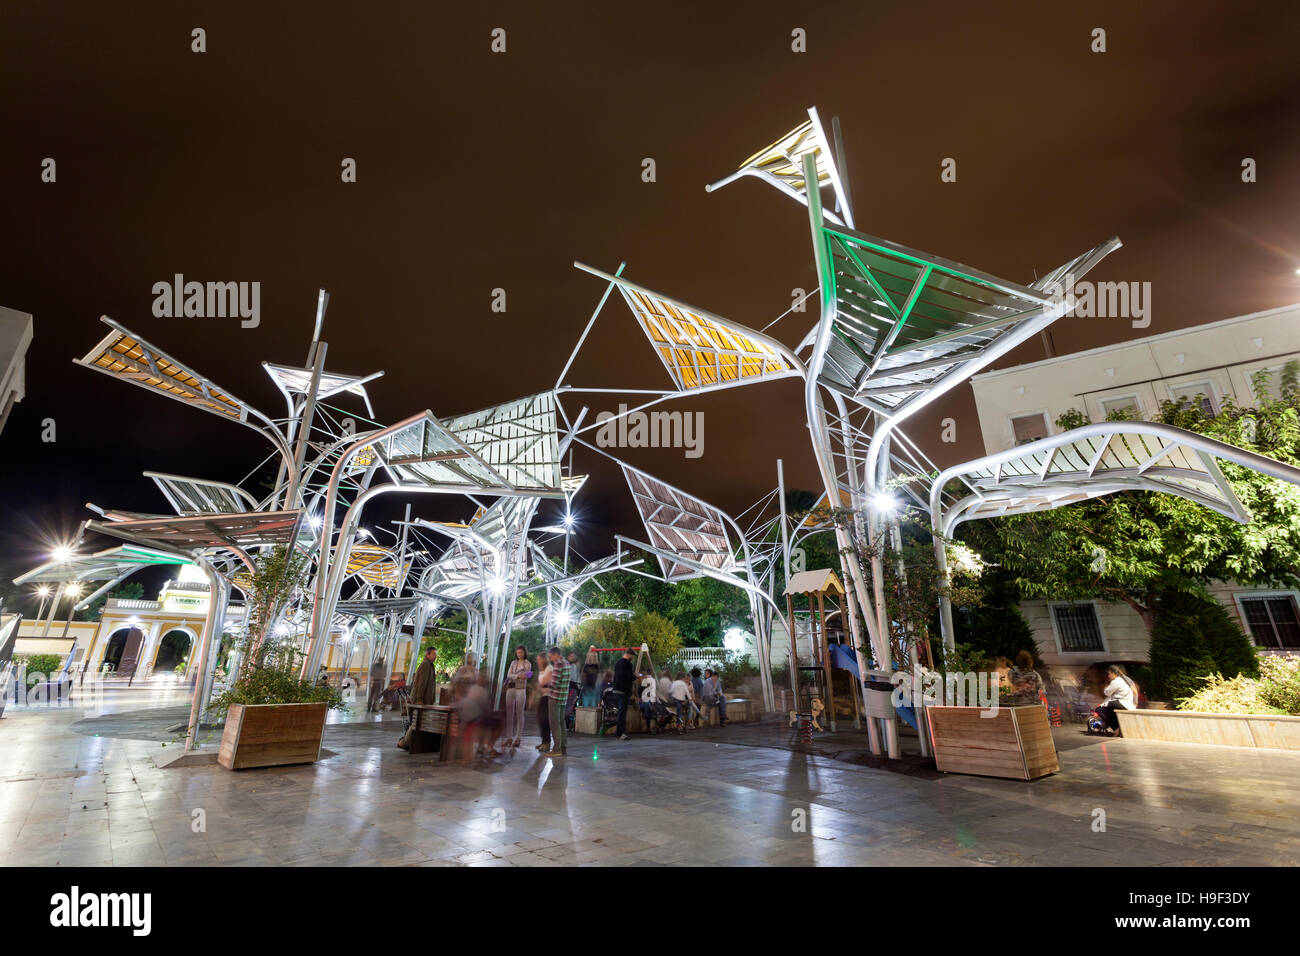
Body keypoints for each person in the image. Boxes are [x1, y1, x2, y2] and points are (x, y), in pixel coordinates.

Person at [398, 646, 437, 750]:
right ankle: (404, 742)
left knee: (419, 722)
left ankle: (411, 743)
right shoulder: (426, 665)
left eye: (435, 654)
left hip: (425, 700)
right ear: (427, 654)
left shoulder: (429, 665)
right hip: (421, 700)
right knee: (417, 722)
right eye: (433, 654)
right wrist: (419, 699)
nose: (435, 656)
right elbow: (421, 683)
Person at [503, 645, 531, 748]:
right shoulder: (513, 663)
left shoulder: (527, 663)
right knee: (509, 713)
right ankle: (509, 737)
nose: (519, 654)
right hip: (511, 688)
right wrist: (518, 676)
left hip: (521, 689)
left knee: (519, 713)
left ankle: (518, 738)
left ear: (524, 653)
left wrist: (516, 676)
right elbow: (508, 675)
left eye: (521, 652)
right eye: (518, 652)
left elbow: (526, 676)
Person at [545, 646, 571, 756]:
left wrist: (545, 684)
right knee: (562, 723)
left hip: (555, 698)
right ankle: (563, 747)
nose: (551, 659)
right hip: (563, 698)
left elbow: (554, 684)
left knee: (555, 724)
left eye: (551, 656)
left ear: (556, 654)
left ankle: (556, 750)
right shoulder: (567, 663)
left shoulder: (558, 664)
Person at [1098, 664, 1138, 733]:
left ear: (1113, 673)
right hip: (1128, 704)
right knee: (1109, 708)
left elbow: (1106, 693)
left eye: (1109, 674)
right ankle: (1117, 728)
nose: (1108, 676)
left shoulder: (1116, 681)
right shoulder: (1123, 679)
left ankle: (1117, 729)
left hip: (1124, 703)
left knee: (1099, 709)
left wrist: (1106, 684)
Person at [611, 650, 635, 740]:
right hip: (624, 691)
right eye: (632, 656)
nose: (632, 658)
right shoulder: (628, 664)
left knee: (620, 712)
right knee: (622, 713)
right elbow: (629, 677)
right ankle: (621, 733)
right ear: (629, 655)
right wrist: (635, 676)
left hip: (616, 689)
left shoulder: (618, 663)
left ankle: (618, 733)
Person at [535, 654, 555, 752]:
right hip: (543, 695)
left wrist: (541, 686)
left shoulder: (549, 668)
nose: (538, 661)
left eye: (539, 659)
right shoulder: (542, 670)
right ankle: (544, 741)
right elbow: (540, 684)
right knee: (540, 718)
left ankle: (547, 743)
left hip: (548, 696)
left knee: (544, 719)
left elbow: (545, 682)